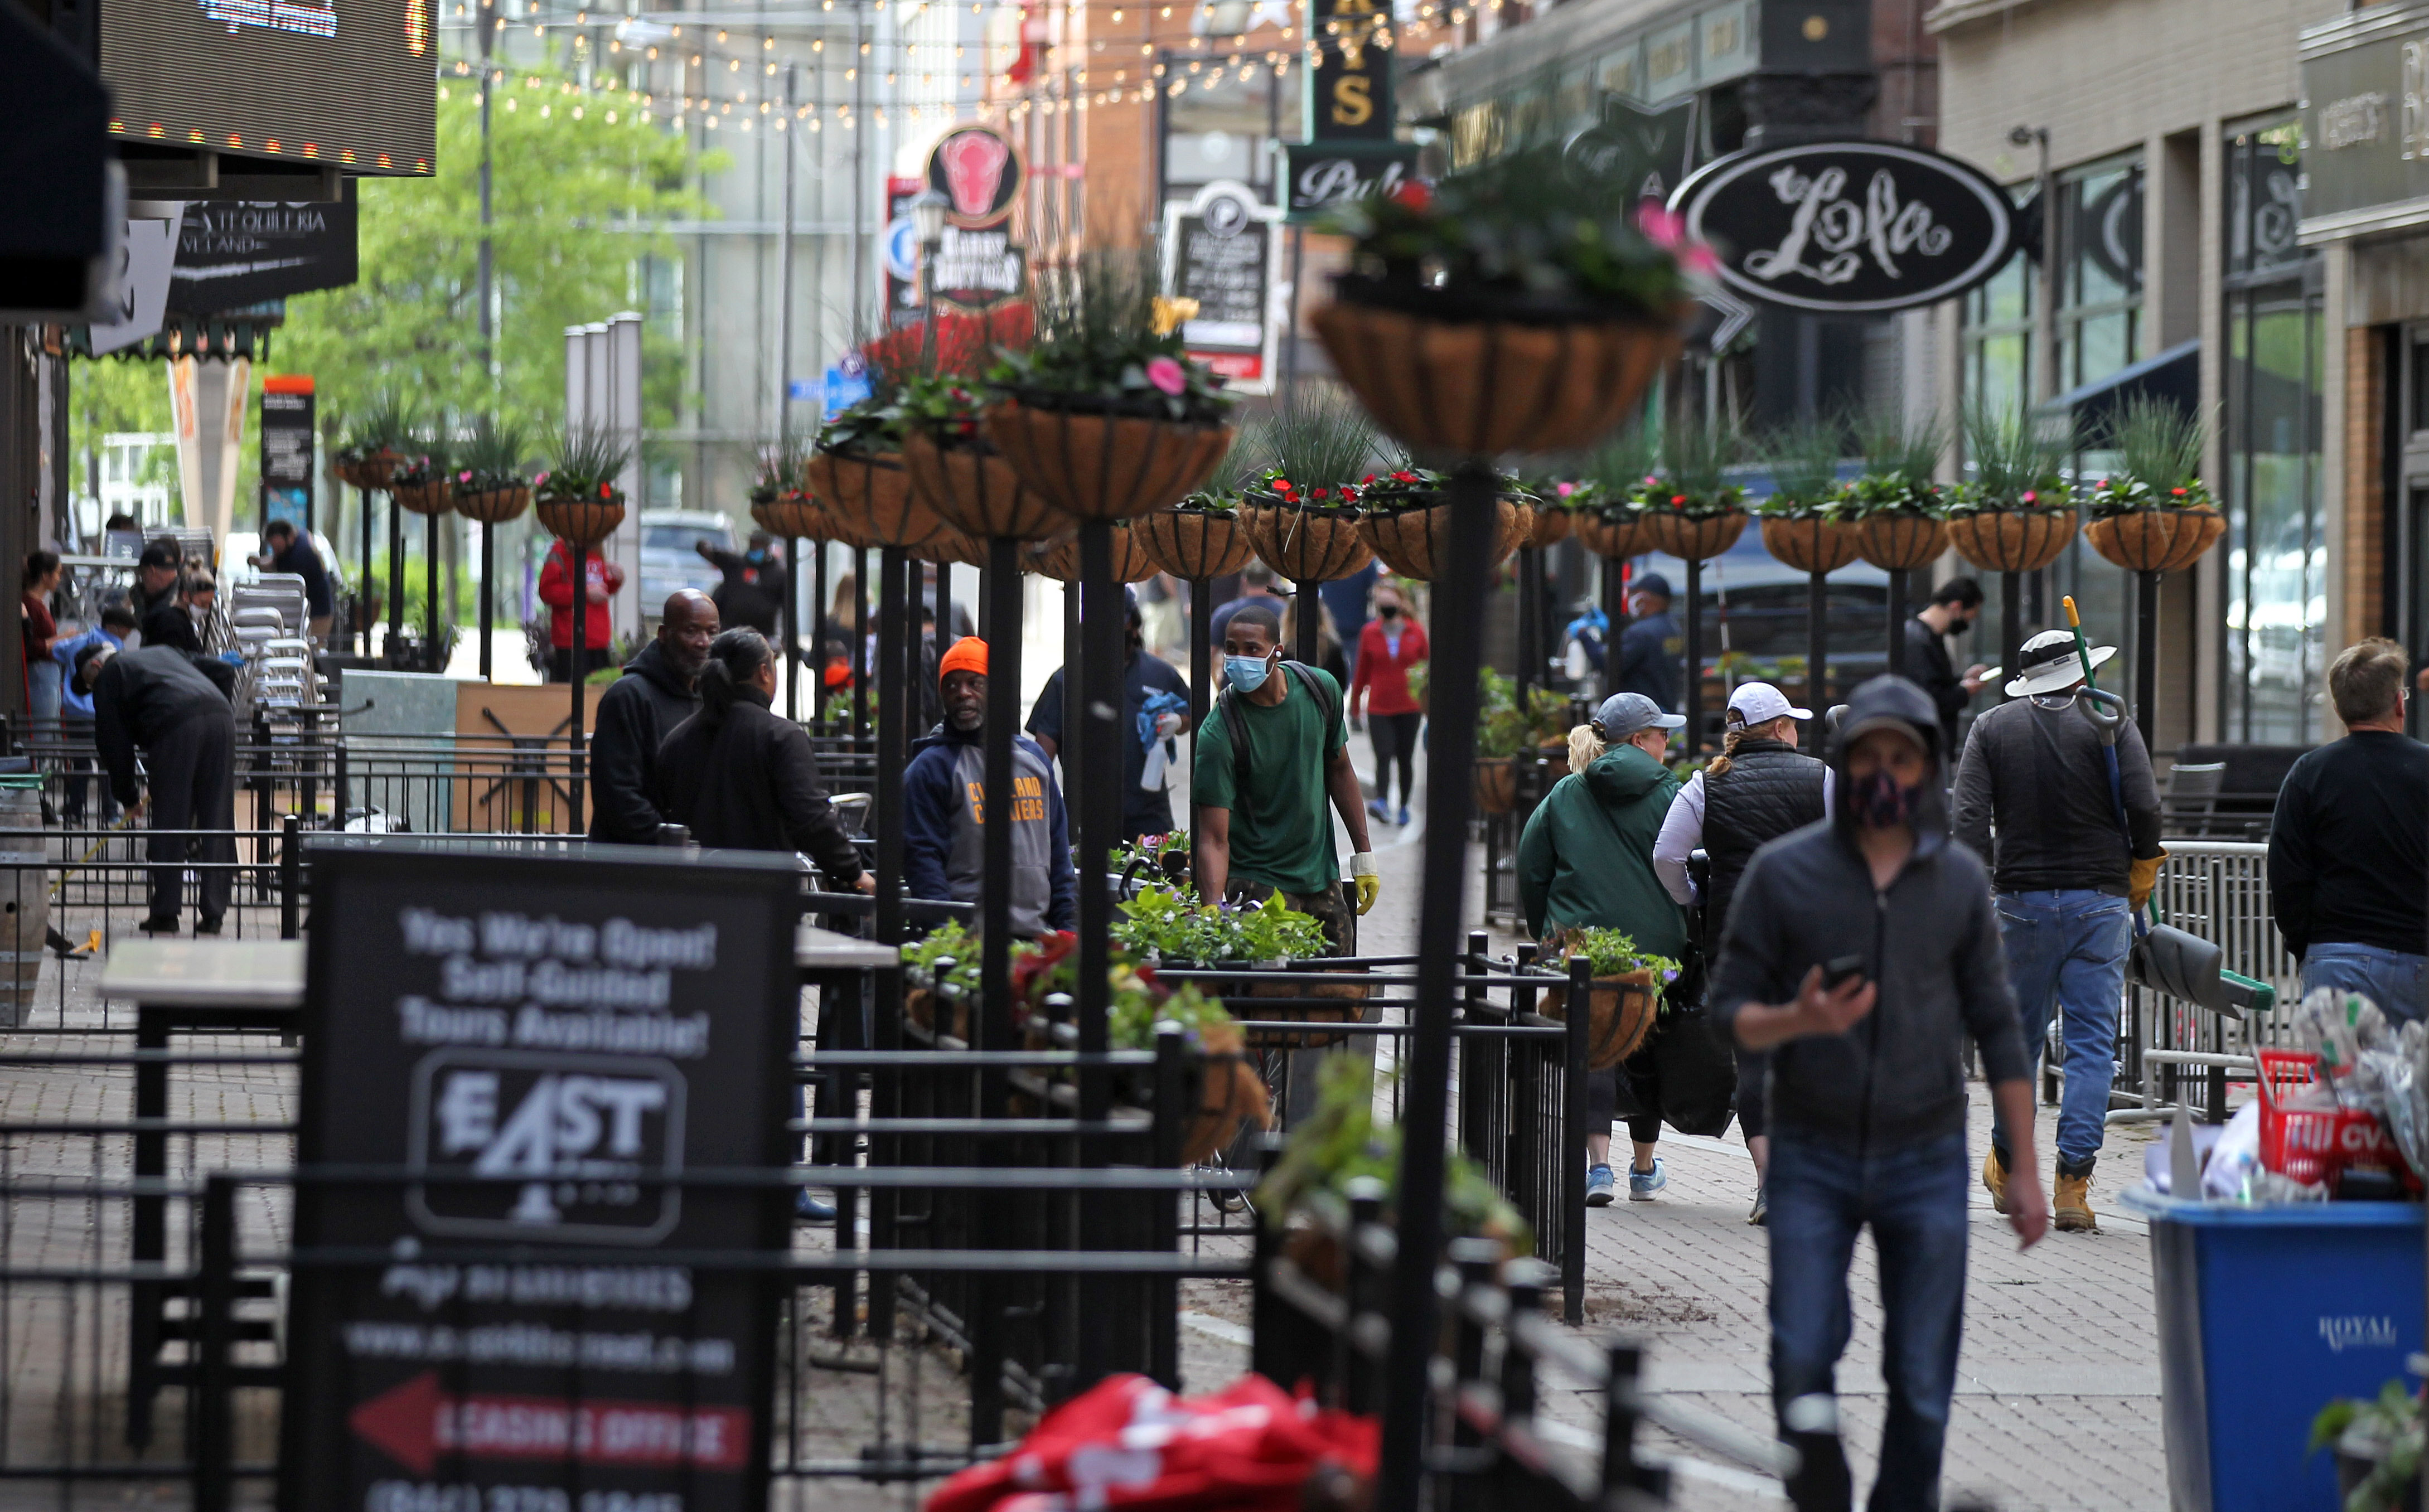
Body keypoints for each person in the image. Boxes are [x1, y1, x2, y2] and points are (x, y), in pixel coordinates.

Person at [1715, 674, 2048, 1512]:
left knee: (1922, 1373)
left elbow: (2001, 1028)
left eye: (1904, 758)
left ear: (1925, 771)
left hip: (1926, 1154)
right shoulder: (1784, 876)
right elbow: (1731, 1014)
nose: (1886, 774)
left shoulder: (1959, 883)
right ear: (1846, 764)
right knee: (1801, 1347)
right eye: (1870, 756)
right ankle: (1816, 1477)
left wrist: (2028, 1168)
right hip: (1812, 1151)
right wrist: (1798, 1018)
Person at [1952, 628, 2162, 1236]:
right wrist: (2142, 864)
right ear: (2079, 674)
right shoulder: (2109, 720)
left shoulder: (1991, 729)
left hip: (2021, 903)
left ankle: (2012, 1166)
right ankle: (2073, 1186)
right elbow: (2145, 803)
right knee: (2094, 1043)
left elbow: (1968, 819)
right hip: (2101, 899)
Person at [1652, 682, 1828, 1224]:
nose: (1798, 732)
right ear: (1778, 729)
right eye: (1793, 723)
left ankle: (1770, 1182)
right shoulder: (1821, 778)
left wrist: (1696, 899)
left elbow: (1667, 855)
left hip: (1737, 939)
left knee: (1754, 1061)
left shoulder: (1706, 784)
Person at [1518, 692, 1689, 1206]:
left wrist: (1547, 929)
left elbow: (1530, 863)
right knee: (1643, 1042)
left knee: (1592, 1046)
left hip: (1580, 943)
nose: (1667, 744)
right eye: (1662, 734)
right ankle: (1643, 1167)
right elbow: (1688, 867)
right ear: (1639, 741)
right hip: (1657, 947)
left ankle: (1598, 1169)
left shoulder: (1567, 792)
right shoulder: (1672, 795)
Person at [1194, 602, 1375, 943]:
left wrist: (1363, 854)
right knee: (1273, 994)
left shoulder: (1320, 691)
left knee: (1338, 990)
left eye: (1251, 649)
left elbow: (1340, 770)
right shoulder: (1219, 733)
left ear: (1276, 653)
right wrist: (1212, 910)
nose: (1239, 659)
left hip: (1321, 880)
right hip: (1257, 886)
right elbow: (1213, 839)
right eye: (1231, 649)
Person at [2271, 638, 2429, 1022]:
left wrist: (2305, 946)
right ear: (2398, 703)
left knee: (2335, 1081)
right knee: (2415, 1080)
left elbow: (2287, 872)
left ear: (2341, 707)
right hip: (2419, 957)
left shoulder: (2310, 773)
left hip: (2335, 957)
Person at [655, 628, 872, 890]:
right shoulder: (781, 736)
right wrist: (854, 872)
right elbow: (812, 820)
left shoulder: (677, 739)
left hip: (693, 893)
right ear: (764, 672)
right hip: (765, 895)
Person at [907, 637, 1077, 934]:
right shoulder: (928, 770)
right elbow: (923, 866)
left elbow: (1059, 857)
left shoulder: (1034, 760)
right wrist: (947, 939)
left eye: (975, 683)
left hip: (1038, 938)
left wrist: (1069, 931)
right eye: (952, 685)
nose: (963, 693)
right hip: (967, 943)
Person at [75, 642, 237, 936]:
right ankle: (215, 913)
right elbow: (223, 670)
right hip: (221, 719)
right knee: (218, 818)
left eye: (90, 684)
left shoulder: (110, 675)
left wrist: (128, 797)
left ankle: (166, 912)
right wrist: (211, 713)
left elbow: (113, 744)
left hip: (174, 726)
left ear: (97, 668)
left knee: (170, 821)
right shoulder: (165, 652)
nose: (94, 690)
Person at [1027, 594, 1191, 843]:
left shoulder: (1160, 674)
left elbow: (1195, 714)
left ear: (1134, 628)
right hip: (1084, 816)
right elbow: (1040, 758)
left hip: (1148, 816)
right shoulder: (1066, 680)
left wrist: (1179, 722)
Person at [590, 590, 719, 846]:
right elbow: (617, 794)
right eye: (691, 631)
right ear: (663, 634)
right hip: (630, 866)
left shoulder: (710, 698)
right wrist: (671, 840)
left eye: (712, 632)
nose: (703, 642)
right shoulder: (627, 696)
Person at [1348, 580, 1428, 827]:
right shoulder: (1370, 633)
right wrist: (1355, 705)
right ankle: (1382, 801)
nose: (1386, 606)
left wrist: (1429, 704)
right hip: (1379, 706)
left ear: (1402, 602)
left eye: (1390, 601)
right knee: (1383, 754)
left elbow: (1426, 671)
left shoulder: (1416, 633)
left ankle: (1403, 806)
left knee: (1405, 757)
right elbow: (1361, 670)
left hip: (1409, 706)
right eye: (1382, 602)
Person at [56, 603, 138, 824]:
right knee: (108, 763)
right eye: (126, 630)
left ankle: (75, 810)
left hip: (74, 712)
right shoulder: (114, 648)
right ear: (114, 628)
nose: (128, 635)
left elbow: (56, 651)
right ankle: (110, 812)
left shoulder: (78, 641)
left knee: (81, 764)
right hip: (102, 712)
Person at [1904, 577, 1988, 738]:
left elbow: (1936, 682)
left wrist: (1962, 680)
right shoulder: (1918, 640)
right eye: (1968, 618)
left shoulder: (1926, 637)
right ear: (1956, 607)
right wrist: (1964, 691)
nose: (1967, 625)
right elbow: (1928, 697)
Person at [538, 536, 625, 684]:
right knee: (569, 698)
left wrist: (616, 581)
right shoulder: (561, 550)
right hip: (571, 642)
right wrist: (583, 593)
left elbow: (598, 590)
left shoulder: (596, 548)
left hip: (600, 641)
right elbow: (548, 591)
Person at [254, 520, 333, 644]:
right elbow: (276, 562)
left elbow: (285, 579)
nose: (275, 550)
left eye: (276, 546)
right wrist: (259, 562)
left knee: (312, 649)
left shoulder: (300, 555)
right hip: (313, 610)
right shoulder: (297, 540)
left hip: (317, 613)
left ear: (288, 537)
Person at [696, 531, 787, 639]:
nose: (754, 547)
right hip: (730, 631)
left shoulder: (778, 573)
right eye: (752, 543)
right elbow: (708, 552)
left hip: (762, 635)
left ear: (767, 546)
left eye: (759, 544)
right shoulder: (735, 564)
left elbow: (786, 607)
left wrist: (785, 638)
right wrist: (705, 547)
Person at [1613, 573, 1682, 712]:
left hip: (1642, 714)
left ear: (1646, 598)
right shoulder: (1673, 628)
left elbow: (1610, 664)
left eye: (1636, 594)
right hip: (1665, 707)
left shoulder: (1640, 632)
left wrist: (1586, 638)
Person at [1318, 560, 1380, 687]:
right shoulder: (1365, 562)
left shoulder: (1328, 559)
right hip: (1356, 625)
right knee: (1356, 678)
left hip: (1332, 628)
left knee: (1331, 677)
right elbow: (1376, 590)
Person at [1207, 563, 1285, 647]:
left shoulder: (1224, 613)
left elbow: (1211, 653)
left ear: (1244, 581)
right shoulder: (1285, 612)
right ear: (1272, 582)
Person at [23, 551, 60, 731]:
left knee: (49, 726)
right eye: (57, 573)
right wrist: (62, 639)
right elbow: (31, 645)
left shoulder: (38, 604)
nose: (59, 579)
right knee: (42, 729)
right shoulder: (30, 604)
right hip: (39, 671)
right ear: (45, 575)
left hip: (48, 671)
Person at [129, 540, 180, 623]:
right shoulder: (180, 593)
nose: (144, 584)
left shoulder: (170, 608)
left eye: (143, 576)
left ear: (152, 571)